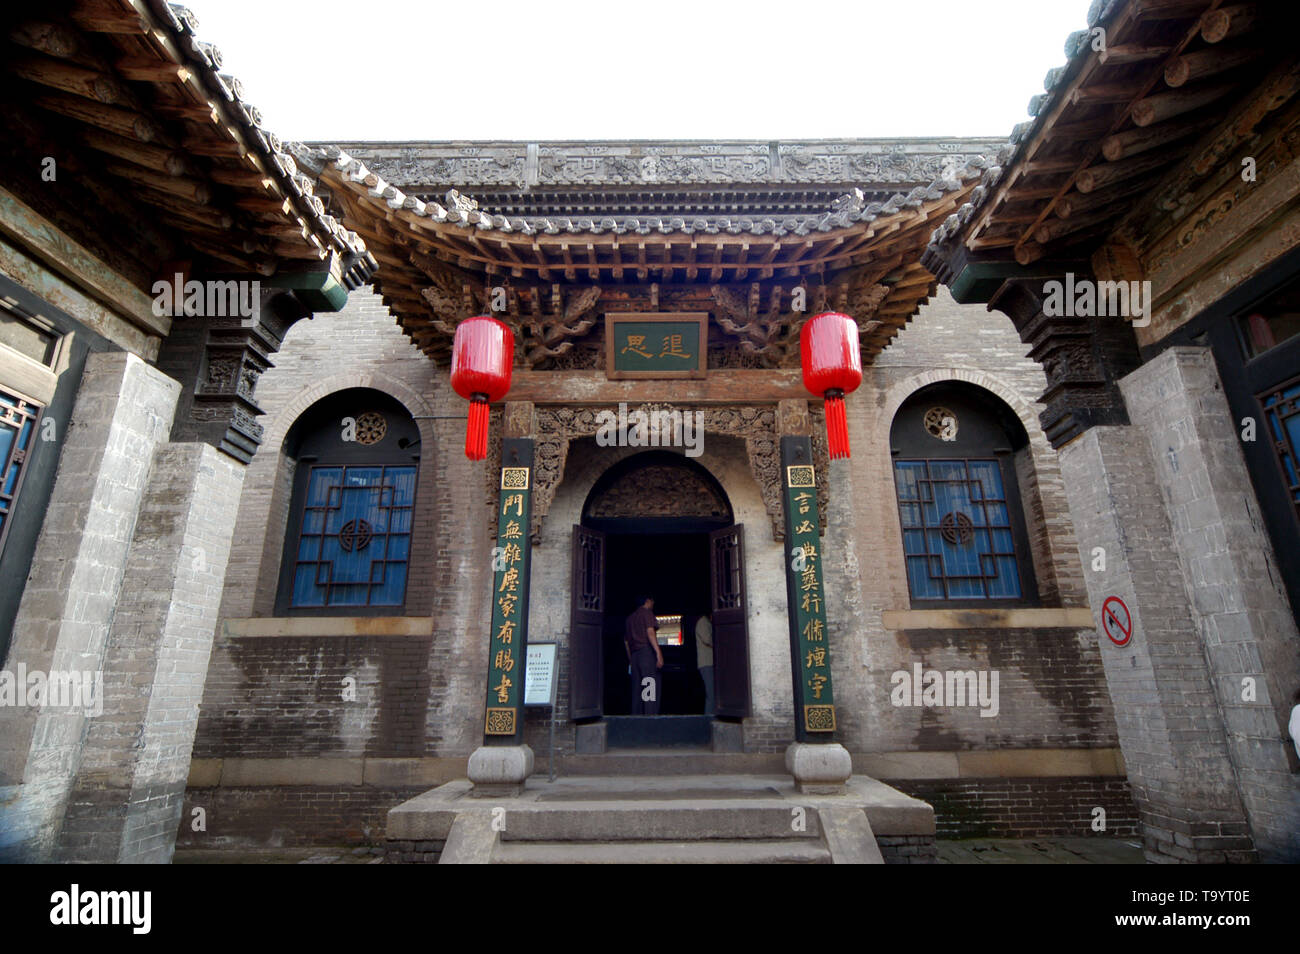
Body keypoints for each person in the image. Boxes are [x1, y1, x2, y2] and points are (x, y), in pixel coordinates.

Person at [624, 596, 662, 715]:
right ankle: (649, 719)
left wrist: (631, 659)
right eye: (652, 601)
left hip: (634, 656)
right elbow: (650, 633)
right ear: (648, 601)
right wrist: (658, 653)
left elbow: (626, 642)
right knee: (649, 685)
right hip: (646, 654)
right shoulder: (647, 613)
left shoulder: (630, 618)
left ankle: (636, 719)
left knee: (637, 689)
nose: (653, 603)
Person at [695, 614, 715, 716]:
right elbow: (708, 640)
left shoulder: (706, 622)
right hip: (706, 663)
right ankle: (708, 718)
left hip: (709, 662)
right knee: (711, 693)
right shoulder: (703, 622)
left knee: (712, 693)